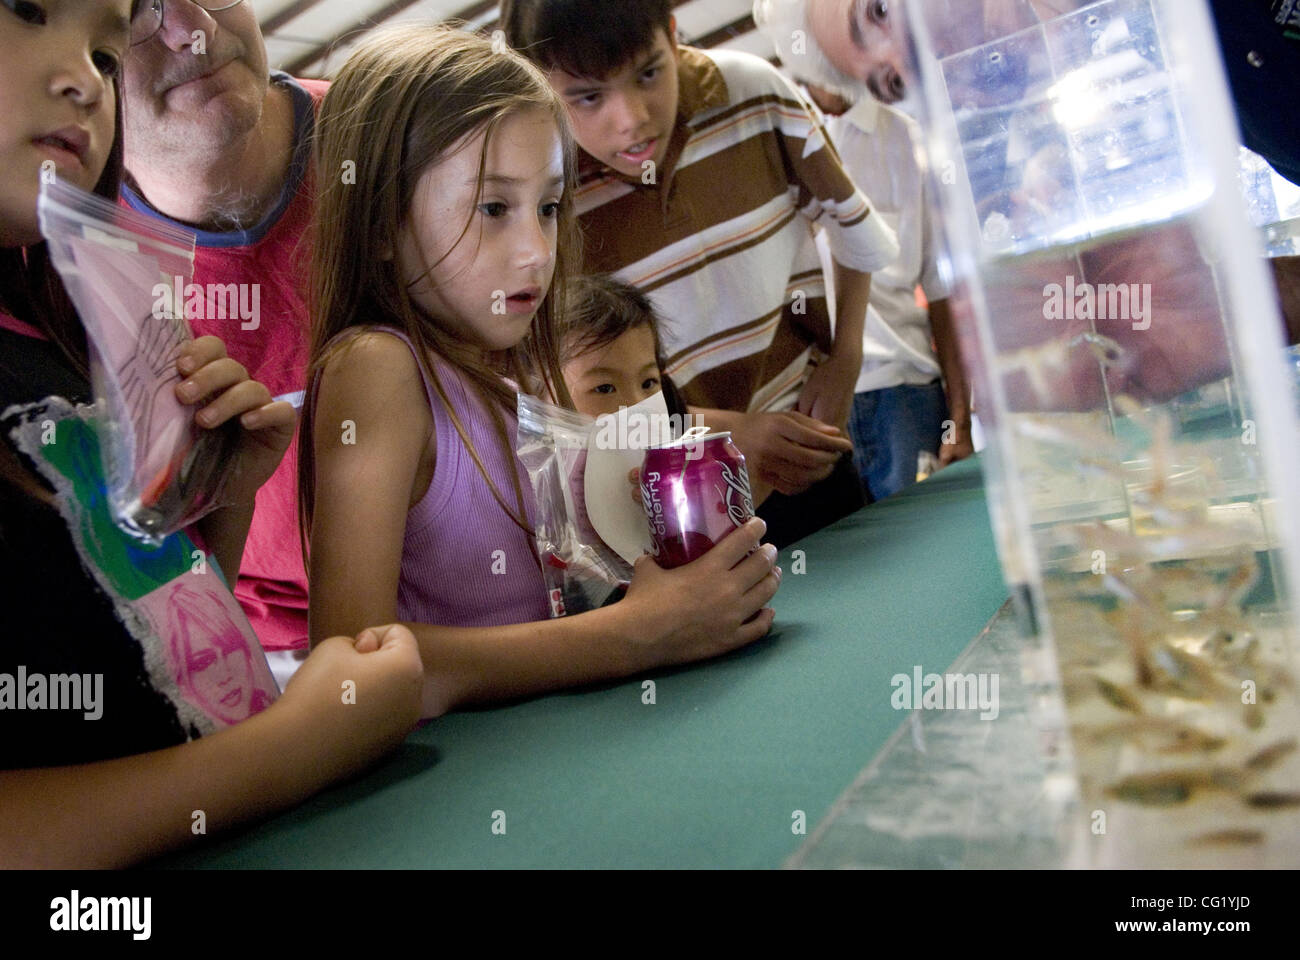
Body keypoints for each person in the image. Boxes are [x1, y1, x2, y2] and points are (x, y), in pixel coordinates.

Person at [0, 0, 422, 868]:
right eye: (28, 9)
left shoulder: (63, 333)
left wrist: (213, 510)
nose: (84, 79)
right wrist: (301, 741)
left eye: (104, 51)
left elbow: (135, 664)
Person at [299, 25, 780, 720]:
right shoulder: (376, 367)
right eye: (493, 208)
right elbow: (349, 662)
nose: (535, 251)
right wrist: (632, 634)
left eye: (549, 208)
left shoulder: (504, 380)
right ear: (379, 221)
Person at [502, 0, 902, 548]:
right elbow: (564, 379)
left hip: (805, 451)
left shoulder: (754, 92)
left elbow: (852, 225)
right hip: (664, 495)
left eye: (649, 73)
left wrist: (847, 355)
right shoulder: (544, 186)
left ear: (671, 33)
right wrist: (727, 431)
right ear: (540, 85)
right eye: (589, 97)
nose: (632, 118)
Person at [120, 0, 328, 678]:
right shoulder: (53, 271)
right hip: (246, 662)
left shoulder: (404, 141)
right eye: (133, 11)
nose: (195, 26)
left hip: (481, 606)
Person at [801, 80, 973, 498]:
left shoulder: (909, 141)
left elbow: (943, 295)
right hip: (808, 404)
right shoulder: (779, 136)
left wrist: (959, 423)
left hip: (905, 396)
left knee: (929, 547)